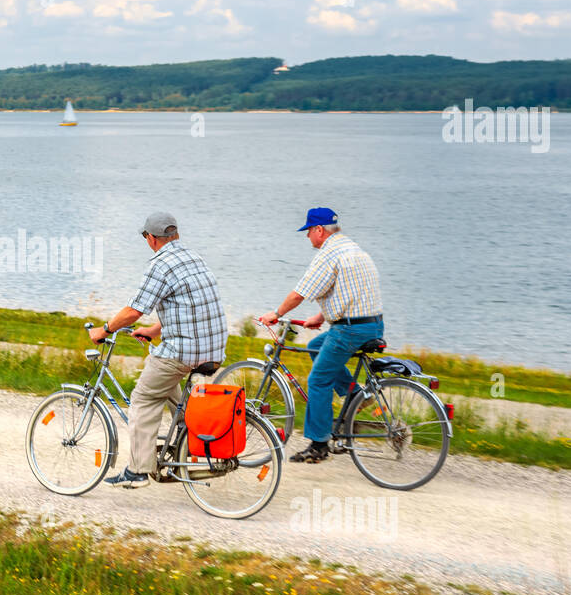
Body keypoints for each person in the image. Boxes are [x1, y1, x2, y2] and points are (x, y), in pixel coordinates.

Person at [88, 211, 228, 487]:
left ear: (151, 238)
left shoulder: (160, 264)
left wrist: (104, 330)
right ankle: (192, 447)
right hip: (213, 348)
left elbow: (134, 310)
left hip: (184, 351)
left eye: (145, 237)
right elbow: (187, 307)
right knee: (173, 395)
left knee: (143, 399)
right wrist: (154, 331)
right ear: (175, 235)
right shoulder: (193, 257)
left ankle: (138, 471)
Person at [259, 207, 383, 463]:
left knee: (318, 380)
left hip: (349, 329)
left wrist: (276, 312)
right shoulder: (353, 249)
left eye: (308, 231)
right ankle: (356, 396)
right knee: (316, 345)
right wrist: (323, 316)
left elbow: (299, 293)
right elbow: (349, 292)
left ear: (319, 230)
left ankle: (318, 445)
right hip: (372, 325)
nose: (307, 237)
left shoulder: (329, 254)